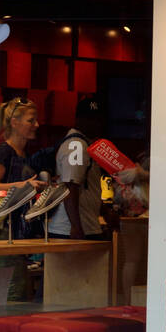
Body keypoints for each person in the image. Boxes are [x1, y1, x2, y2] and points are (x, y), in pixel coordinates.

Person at [48, 96, 115, 241]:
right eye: (90, 119)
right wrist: (76, 227)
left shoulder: (84, 144)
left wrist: (104, 211)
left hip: (83, 226)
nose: (96, 123)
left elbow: (85, 188)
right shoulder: (77, 145)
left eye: (98, 119)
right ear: (78, 120)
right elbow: (70, 187)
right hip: (72, 230)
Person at [0, 96, 46, 239]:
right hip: (3, 232)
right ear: (14, 123)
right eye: (30, 120)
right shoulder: (4, 152)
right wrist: (23, 185)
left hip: (18, 230)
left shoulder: (24, 153)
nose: (36, 125)